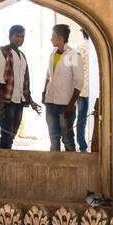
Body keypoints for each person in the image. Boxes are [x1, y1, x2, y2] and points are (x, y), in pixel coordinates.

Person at [0, 25, 40, 149]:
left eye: (22, 36)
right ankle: (3, 162)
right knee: (6, 134)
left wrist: (31, 101)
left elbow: (25, 81)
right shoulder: (2, 53)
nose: (20, 39)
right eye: (17, 36)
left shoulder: (22, 55)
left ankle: (7, 160)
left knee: (12, 134)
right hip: (6, 101)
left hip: (19, 101)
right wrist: (0, 104)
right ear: (10, 37)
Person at [41, 23, 82, 151]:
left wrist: (71, 105)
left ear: (59, 37)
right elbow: (48, 76)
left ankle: (71, 169)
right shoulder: (53, 53)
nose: (51, 38)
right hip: (51, 102)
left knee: (67, 139)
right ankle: (54, 169)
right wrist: (44, 93)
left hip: (65, 104)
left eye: (52, 35)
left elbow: (79, 82)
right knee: (53, 139)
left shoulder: (73, 55)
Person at [75, 28, 92, 153]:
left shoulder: (80, 47)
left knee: (81, 118)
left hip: (81, 88)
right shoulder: (93, 48)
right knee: (84, 117)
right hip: (89, 88)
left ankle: (82, 146)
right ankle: (84, 145)